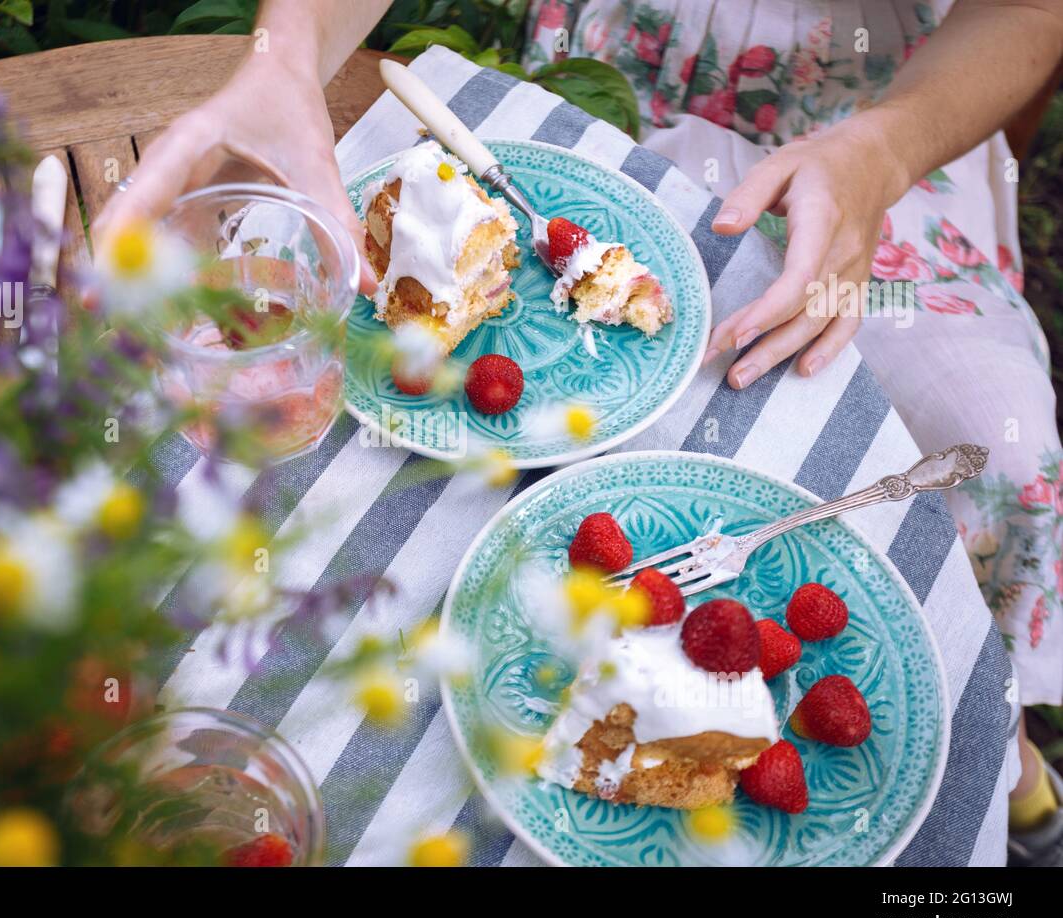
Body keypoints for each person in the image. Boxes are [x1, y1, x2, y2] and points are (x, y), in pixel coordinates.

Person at [94, 0, 1063, 864]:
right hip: (616, 102)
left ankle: (1001, 739)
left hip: (886, 137)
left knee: (1005, 451)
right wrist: (288, 46)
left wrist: (882, 153)